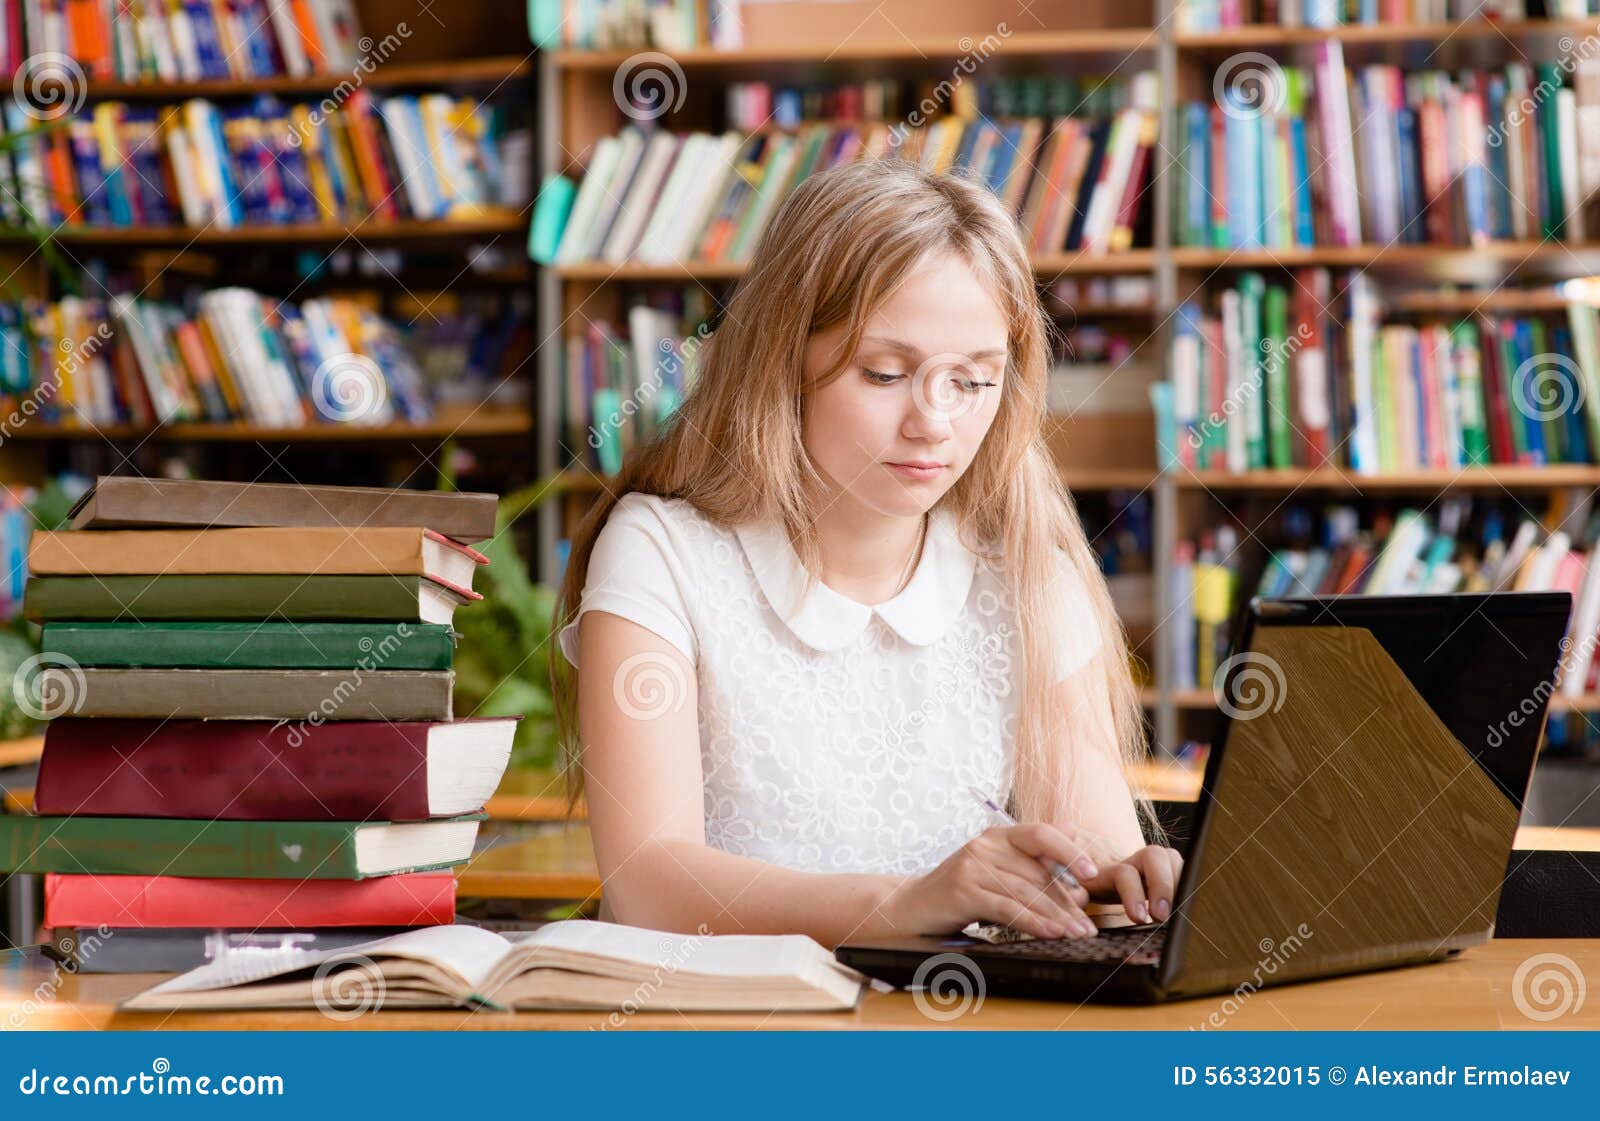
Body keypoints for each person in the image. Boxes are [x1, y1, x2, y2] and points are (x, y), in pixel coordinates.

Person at [552, 158, 1182, 949]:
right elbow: (647, 883)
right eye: (885, 373)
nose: (934, 421)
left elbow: (1095, 863)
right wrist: (902, 904)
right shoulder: (661, 552)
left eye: (974, 381)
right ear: (783, 359)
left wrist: (1130, 882)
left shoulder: (1027, 572)